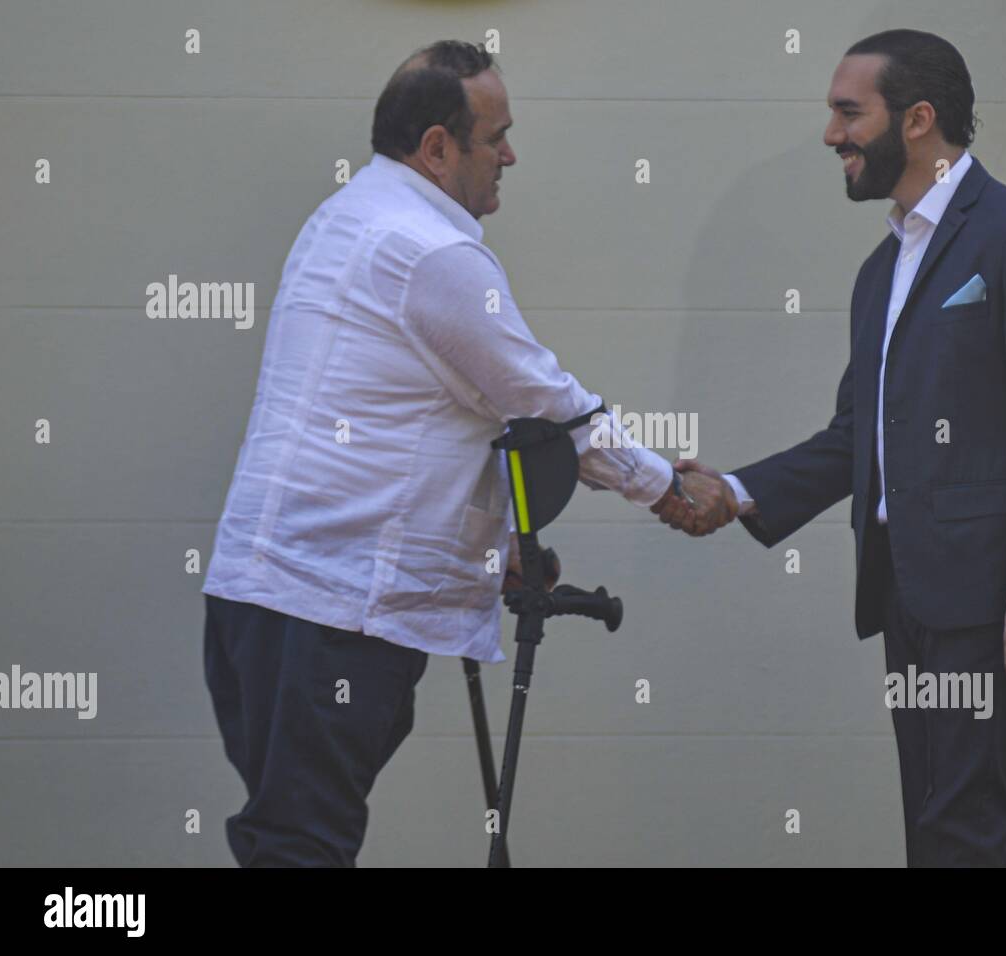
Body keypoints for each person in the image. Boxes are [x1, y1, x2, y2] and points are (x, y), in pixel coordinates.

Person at [201, 41, 730, 867]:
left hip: (269, 599)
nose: (510, 154)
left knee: (290, 837)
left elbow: (415, 416)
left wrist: (498, 548)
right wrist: (666, 487)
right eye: (497, 137)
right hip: (331, 612)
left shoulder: (349, 216)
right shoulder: (432, 252)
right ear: (437, 148)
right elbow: (544, 404)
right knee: (300, 847)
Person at [667, 29, 1006, 867]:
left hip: (987, 599)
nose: (832, 135)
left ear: (920, 118)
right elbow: (853, 437)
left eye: (848, 112)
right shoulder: (881, 267)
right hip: (903, 588)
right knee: (931, 824)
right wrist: (738, 489)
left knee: (964, 821)